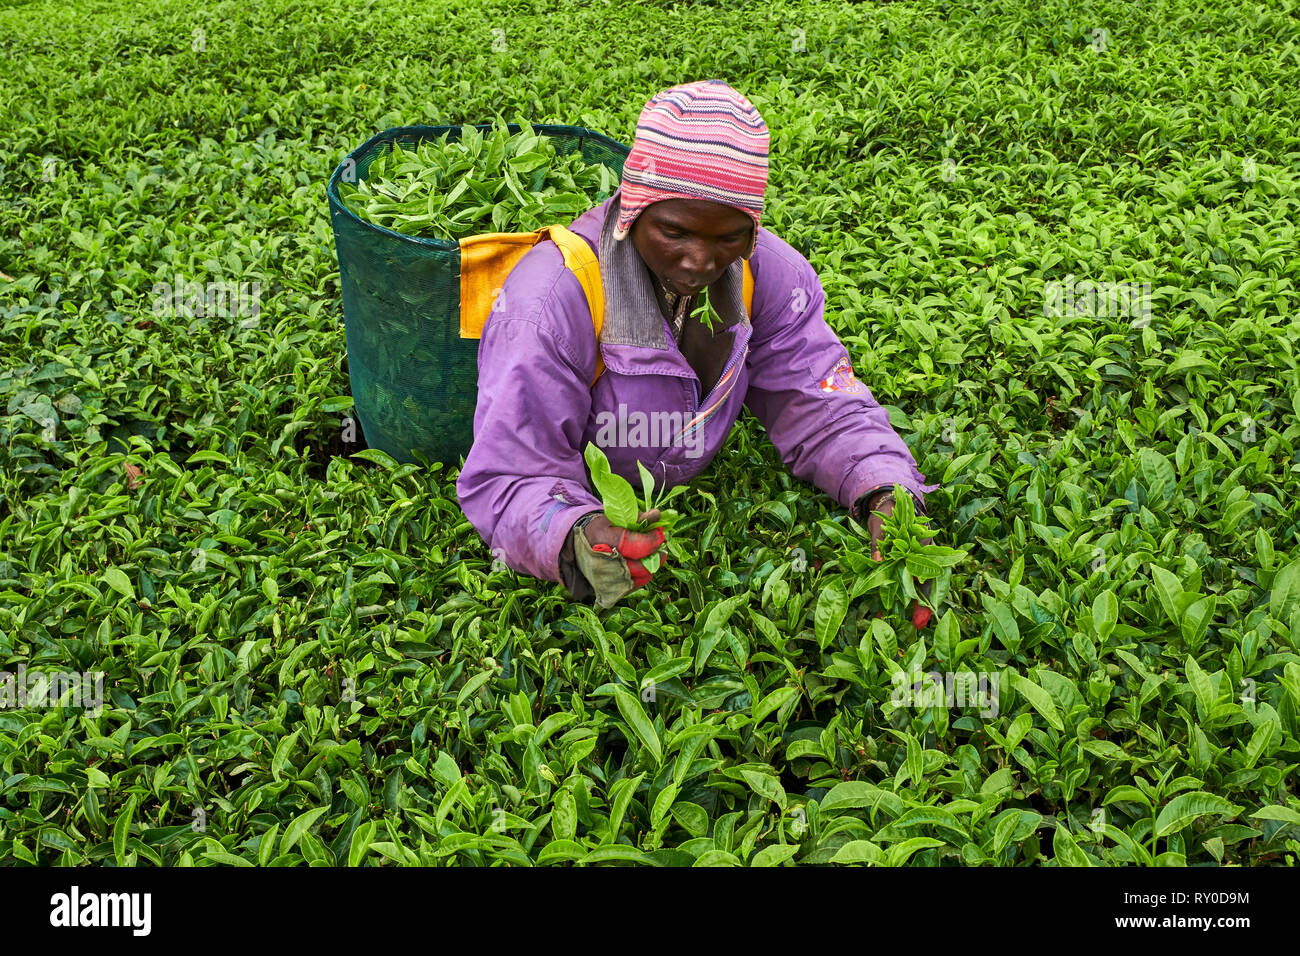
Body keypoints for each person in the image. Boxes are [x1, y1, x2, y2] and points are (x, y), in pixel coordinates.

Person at [457, 79, 937, 612]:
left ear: (751, 230)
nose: (699, 262)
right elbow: (513, 470)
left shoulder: (770, 275)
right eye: (675, 231)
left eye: (727, 237)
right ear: (634, 208)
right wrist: (576, 532)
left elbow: (823, 403)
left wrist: (885, 494)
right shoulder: (551, 298)